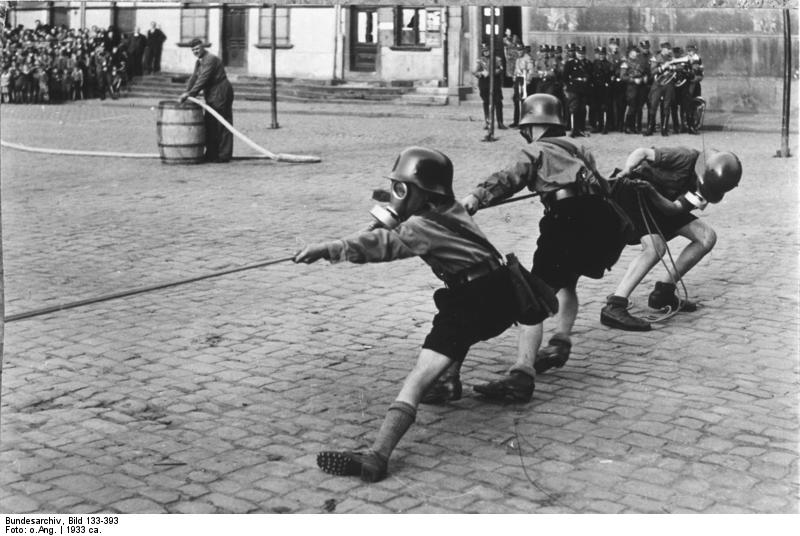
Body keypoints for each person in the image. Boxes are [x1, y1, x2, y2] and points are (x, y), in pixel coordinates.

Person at [294, 147, 555, 482]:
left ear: (420, 191)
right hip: (498, 291)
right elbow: (388, 230)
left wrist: (329, 248)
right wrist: (380, 221)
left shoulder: (419, 226)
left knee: (419, 375)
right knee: (455, 323)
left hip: (474, 298)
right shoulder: (451, 207)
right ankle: (448, 381)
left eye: (403, 189)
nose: (397, 196)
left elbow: (383, 245)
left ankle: (378, 455)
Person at [425, 94, 628, 404]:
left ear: (532, 126)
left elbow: (510, 178)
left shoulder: (533, 150)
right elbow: (603, 185)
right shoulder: (579, 148)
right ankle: (561, 340)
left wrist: (477, 197)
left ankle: (521, 375)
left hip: (568, 220)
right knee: (566, 281)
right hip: (601, 219)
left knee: (529, 297)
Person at [600, 146, 743, 331]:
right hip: (633, 193)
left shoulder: (711, 189)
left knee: (706, 237)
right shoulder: (685, 157)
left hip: (660, 200)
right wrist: (628, 169)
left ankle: (663, 293)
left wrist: (653, 192)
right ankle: (615, 305)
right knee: (655, 248)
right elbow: (641, 152)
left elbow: (674, 209)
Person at [179, 38, 235, 163]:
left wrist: (190, 93)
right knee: (210, 122)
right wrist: (186, 92)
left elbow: (203, 79)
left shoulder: (210, 59)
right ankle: (212, 154)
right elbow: (194, 78)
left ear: (203, 47)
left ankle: (223, 155)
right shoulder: (199, 62)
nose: (195, 51)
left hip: (221, 90)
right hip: (212, 92)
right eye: (193, 50)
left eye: (197, 48)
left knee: (221, 122)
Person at [473, 43, 506, 130]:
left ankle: (500, 122)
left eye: (487, 51)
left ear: (490, 51)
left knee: (498, 102)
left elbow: (501, 69)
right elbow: (474, 72)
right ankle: (488, 122)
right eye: (484, 51)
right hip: (484, 83)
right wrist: (481, 73)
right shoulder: (480, 61)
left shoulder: (497, 59)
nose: (486, 53)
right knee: (486, 102)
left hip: (495, 83)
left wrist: (491, 72)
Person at [511, 44, 534, 128]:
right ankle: (516, 121)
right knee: (516, 100)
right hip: (518, 80)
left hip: (524, 81)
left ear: (523, 50)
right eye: (518, 50)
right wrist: (514, 78)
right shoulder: (518, 59)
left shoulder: (528, 58)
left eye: (520, 50)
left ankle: (524, 122)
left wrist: (527, 81)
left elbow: (530, 71)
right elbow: (515, 70)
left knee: (524, 101)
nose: (519, 52)